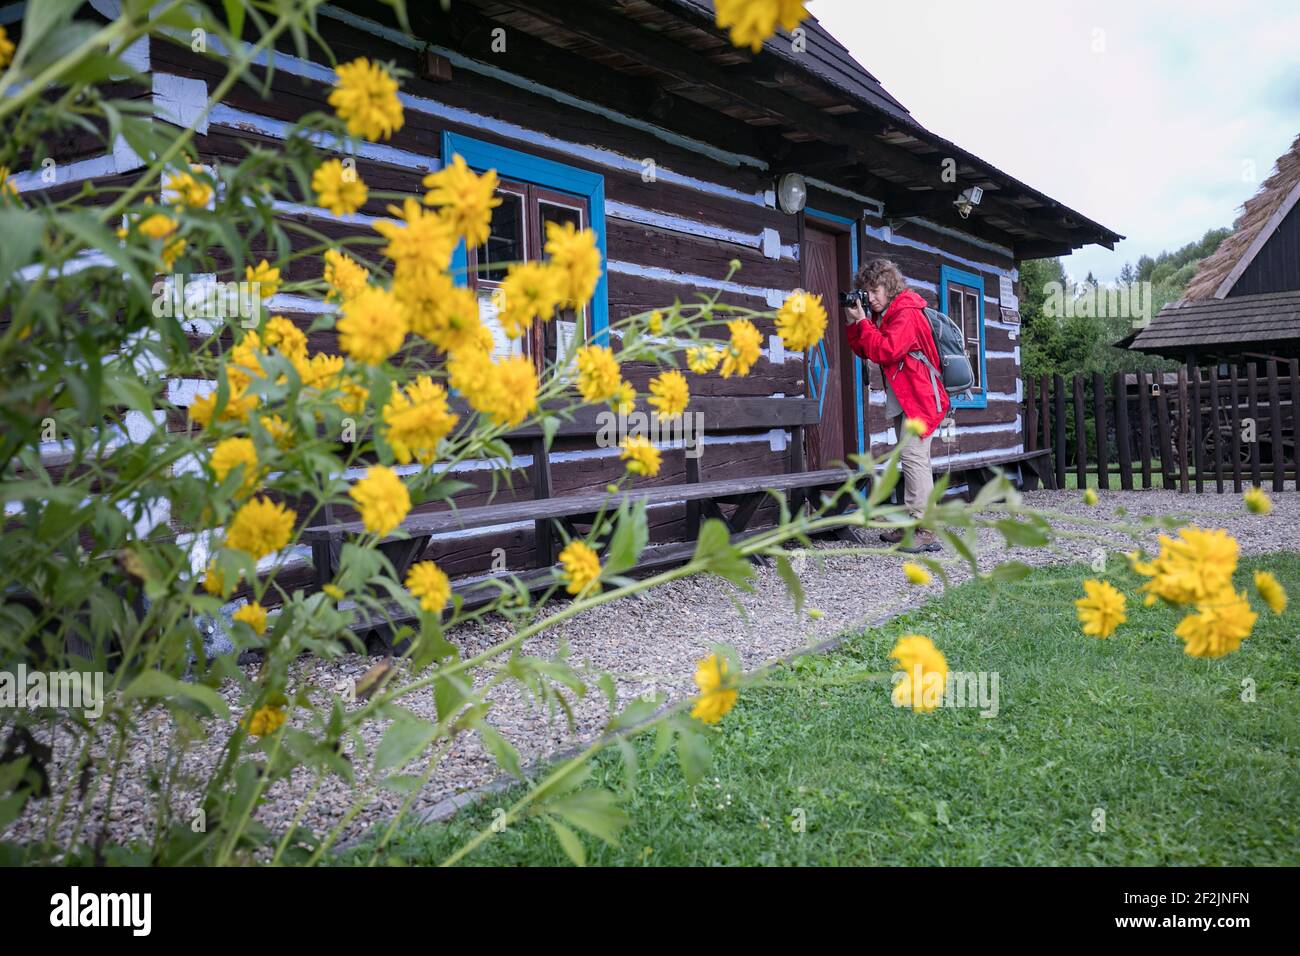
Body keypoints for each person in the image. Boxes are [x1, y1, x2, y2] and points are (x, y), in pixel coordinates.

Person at [843, 258, 949, 553]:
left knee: (914, 458)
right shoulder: (886, 313)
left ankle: (925, 531)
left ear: (889, 285)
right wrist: (856, 322)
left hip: (921, 397)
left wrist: (864, 322)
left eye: (875, 290)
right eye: (867, 292)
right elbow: (865, 348)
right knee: (914, 459)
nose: (872, 298)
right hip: (906, 396)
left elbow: (886, 351)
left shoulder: (906, 311)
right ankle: (915, 526)